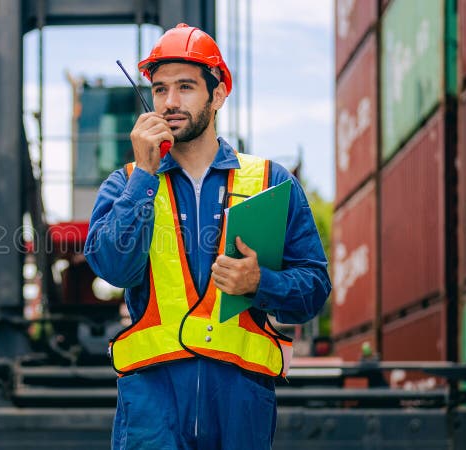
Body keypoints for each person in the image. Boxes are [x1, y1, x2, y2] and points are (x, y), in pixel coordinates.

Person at [84, 23, 331, 449]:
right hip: (152, 412)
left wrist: (262, 283)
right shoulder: (126, 182)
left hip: (239, 409)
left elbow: (314, 288)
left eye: (186, 87)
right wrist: (144, 174)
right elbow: (113, 268)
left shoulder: (270, 183)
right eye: (160, 89)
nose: (170, 102)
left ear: (217, 95)